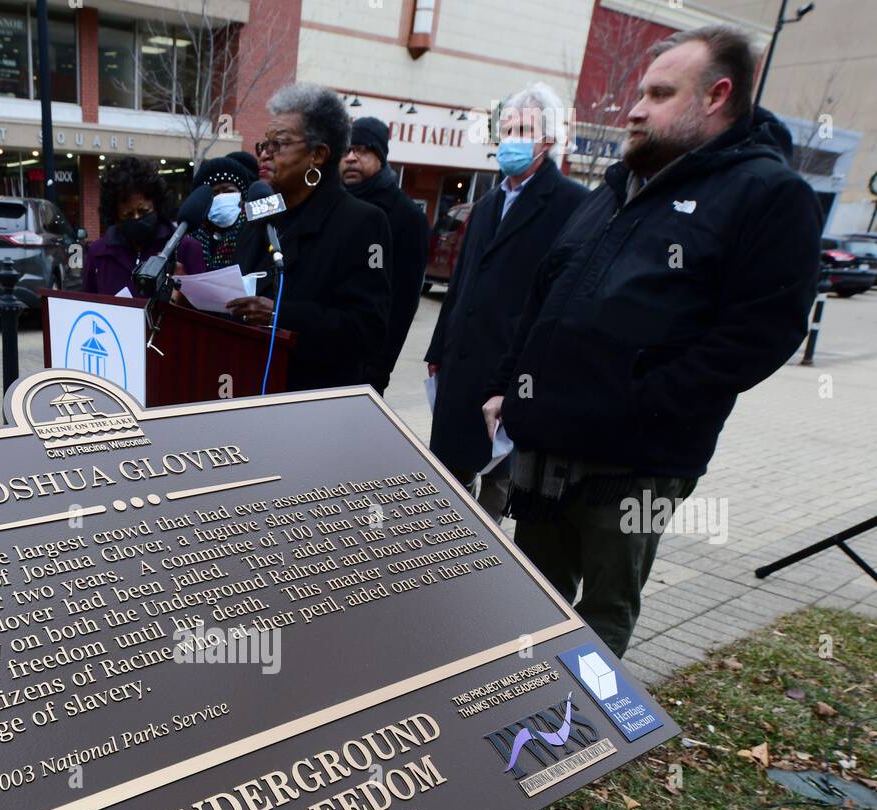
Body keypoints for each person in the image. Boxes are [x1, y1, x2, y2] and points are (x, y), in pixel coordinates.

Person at [482, 26, 822, 656]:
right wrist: (507, 385)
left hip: (637, 466)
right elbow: (545, 296)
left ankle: (580, 741)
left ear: (717, 96)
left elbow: (761, 333)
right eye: (640, 92)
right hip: (546, 445)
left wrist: (645, 401)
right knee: (532, 600)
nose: (636, 108)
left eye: (660, 93)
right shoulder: (615, 189)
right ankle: (522, 716)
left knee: (600, 620)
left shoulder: (768, 195)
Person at [424, 84, 586, 518]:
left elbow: (563, 295)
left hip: (512, 366)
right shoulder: (488, 202)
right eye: (506, 128)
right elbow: (460, 281)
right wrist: (438, 348)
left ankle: (488, 553)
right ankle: (446, 540)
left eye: (523, 129)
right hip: (461, 361)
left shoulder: (572, 204)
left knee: (498, 475)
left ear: (548, 140)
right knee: (448, 470)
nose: (511, 139)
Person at [228, 83, 391, 391]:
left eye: (279, 144)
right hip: (243, 384)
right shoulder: (260, 214)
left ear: (317, 155)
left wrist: (279, 314)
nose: (265, 155)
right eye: (264, 145)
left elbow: (367, 329)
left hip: (311, 403)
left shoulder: (362, 222)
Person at [341, 116, 430, 395]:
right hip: (320, 351)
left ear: (381, 157)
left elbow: (404, 301)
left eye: (362, 150)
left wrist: (380, 367)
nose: (352, 158)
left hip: (365, 364)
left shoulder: (406, 216)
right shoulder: (332, 205)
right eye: (346, 150)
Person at [82, 155, 205, 297]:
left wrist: (185, 290)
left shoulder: (187, 248)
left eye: (144, 211)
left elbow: (204, 312)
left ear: (157, 206)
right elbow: (87, 307)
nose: (136, 218)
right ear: (115, 216)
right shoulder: (99, 253)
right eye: (128, 214)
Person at [189, 151, 260, 271]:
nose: (221, 197)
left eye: (228, 191)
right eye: (214, 193)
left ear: (242, 197)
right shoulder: (192, 238)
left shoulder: (255, 231)